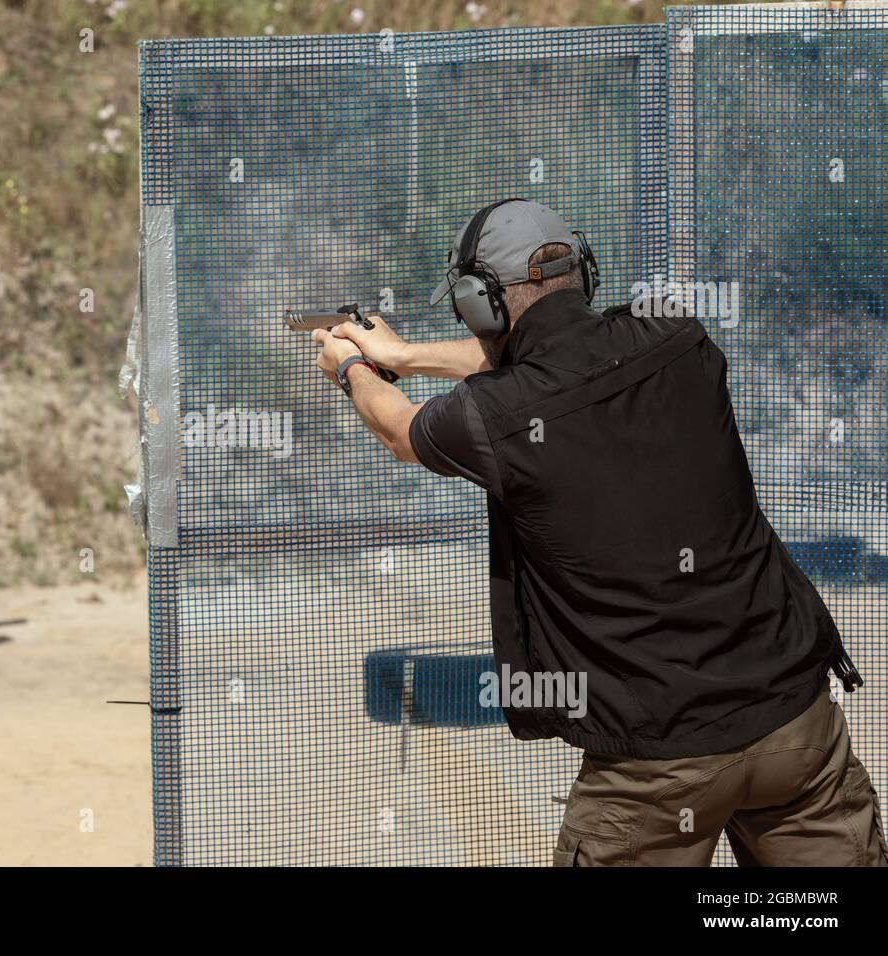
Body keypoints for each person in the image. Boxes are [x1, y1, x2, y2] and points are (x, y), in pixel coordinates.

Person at [313, 198, 887, 866]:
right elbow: (555, 359)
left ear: (480, 305)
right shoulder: (679, 338)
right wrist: (405, 355)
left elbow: (399, 430)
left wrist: (350, 367)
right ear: (583, 274)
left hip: (654, 768)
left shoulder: (497, 418)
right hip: (797, 727)